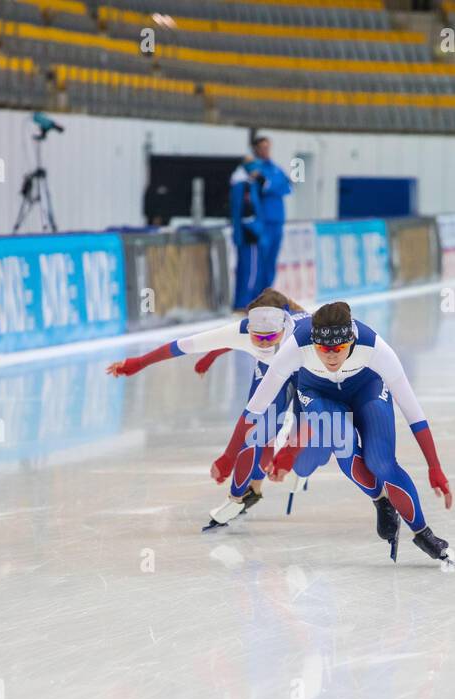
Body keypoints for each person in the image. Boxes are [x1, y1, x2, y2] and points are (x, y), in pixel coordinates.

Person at [237, 301, 454, 567]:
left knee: (381, 462)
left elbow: (414, 413)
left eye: (338, 349)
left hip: (367, 389)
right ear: (313, 343)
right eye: (322, 350)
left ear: (350, 340)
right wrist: (229, 455)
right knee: (344, 445)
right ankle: (380, 500)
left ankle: (422, 533)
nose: (330, 357)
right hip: (317, 394)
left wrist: (435, 466)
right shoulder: (296, 347)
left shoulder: (374, 348)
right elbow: (254, 410)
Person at [105, 289, 310, 528]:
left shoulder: (304, 333)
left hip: (304, 369)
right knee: (261, 431)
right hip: (269, 372)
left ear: (284, 327)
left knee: (299, 422)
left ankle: (288, 467)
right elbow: (180, 346)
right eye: (257, 337)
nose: (264, 343)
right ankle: (252, 490)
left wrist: (292, 452)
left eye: (270, 337)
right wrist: (138, 363)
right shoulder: (242, 330)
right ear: (248, 328)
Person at [248, 136, 291, 294]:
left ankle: (267, 293)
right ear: (256, 150)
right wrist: (270, 186)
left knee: (272, 260)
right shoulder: (255, 167)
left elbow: (286, 187)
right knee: (261, 260)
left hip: (277, 220)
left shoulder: (275, 167)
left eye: (268, 148)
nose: (266, 151)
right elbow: (262, 187)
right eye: (263, 148)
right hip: (263, 221)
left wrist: (269, 185)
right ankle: (255, 296)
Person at [229, 154, 266, 310]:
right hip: (248, 236)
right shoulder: (243, 186)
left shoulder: (246, 184)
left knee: (246, 270)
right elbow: (246, 213)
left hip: (245, 234)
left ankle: (242, 303)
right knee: (250, 271)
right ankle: (245, 303)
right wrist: (256, 230)